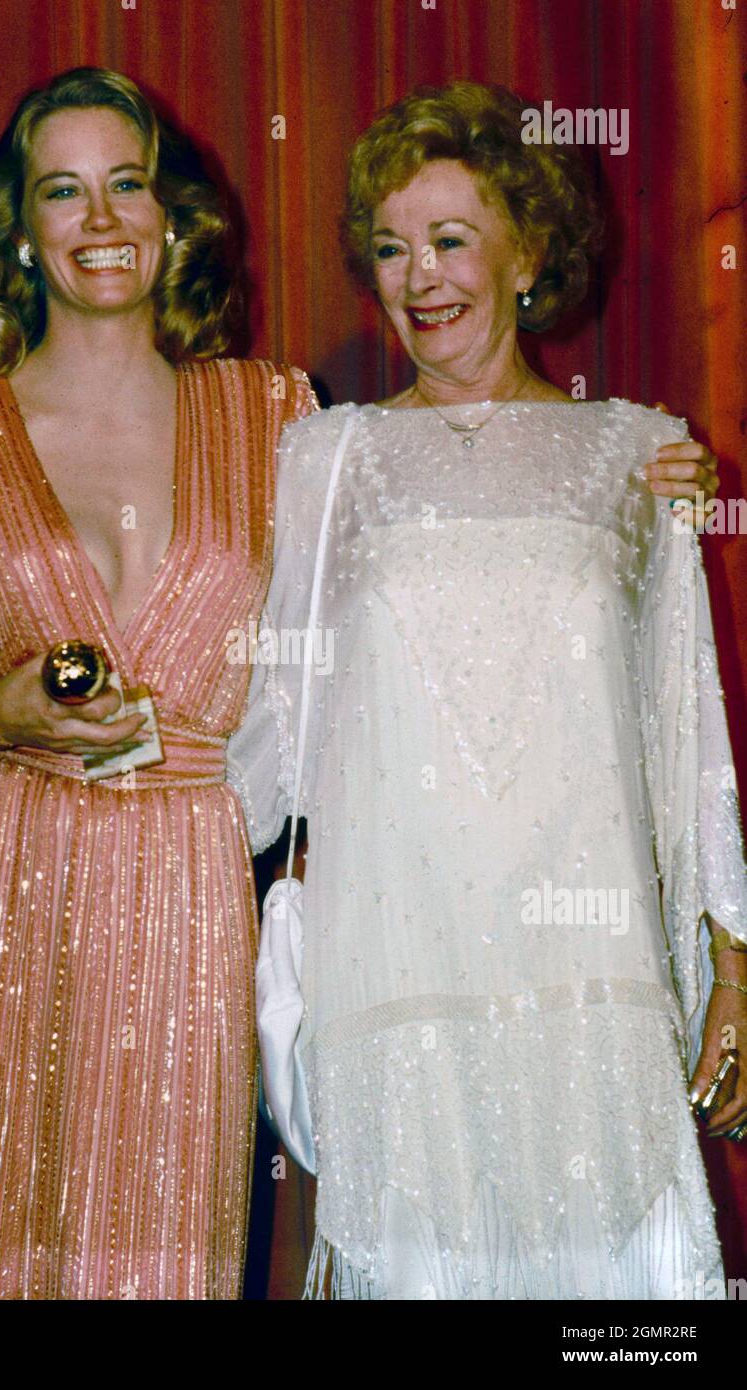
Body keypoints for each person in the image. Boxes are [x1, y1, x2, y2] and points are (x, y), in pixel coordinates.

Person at [227, 80, 746, 1299]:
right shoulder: (324, 456)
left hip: (591, 989)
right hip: (396, 980)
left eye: (450, 239)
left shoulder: (634, 451)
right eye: (393, 249)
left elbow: (691, 742)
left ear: (528, 255)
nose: (419, 278)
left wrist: (732, 966)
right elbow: (271, 729)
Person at [0, 66, 316, 1300]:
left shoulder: (276, 415)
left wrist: (616, 477)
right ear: (20, 231)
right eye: (63, 190)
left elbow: (374, 621)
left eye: (127, 184)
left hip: (189, 891)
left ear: (174, 214)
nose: (101, 220)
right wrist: (0, 710)